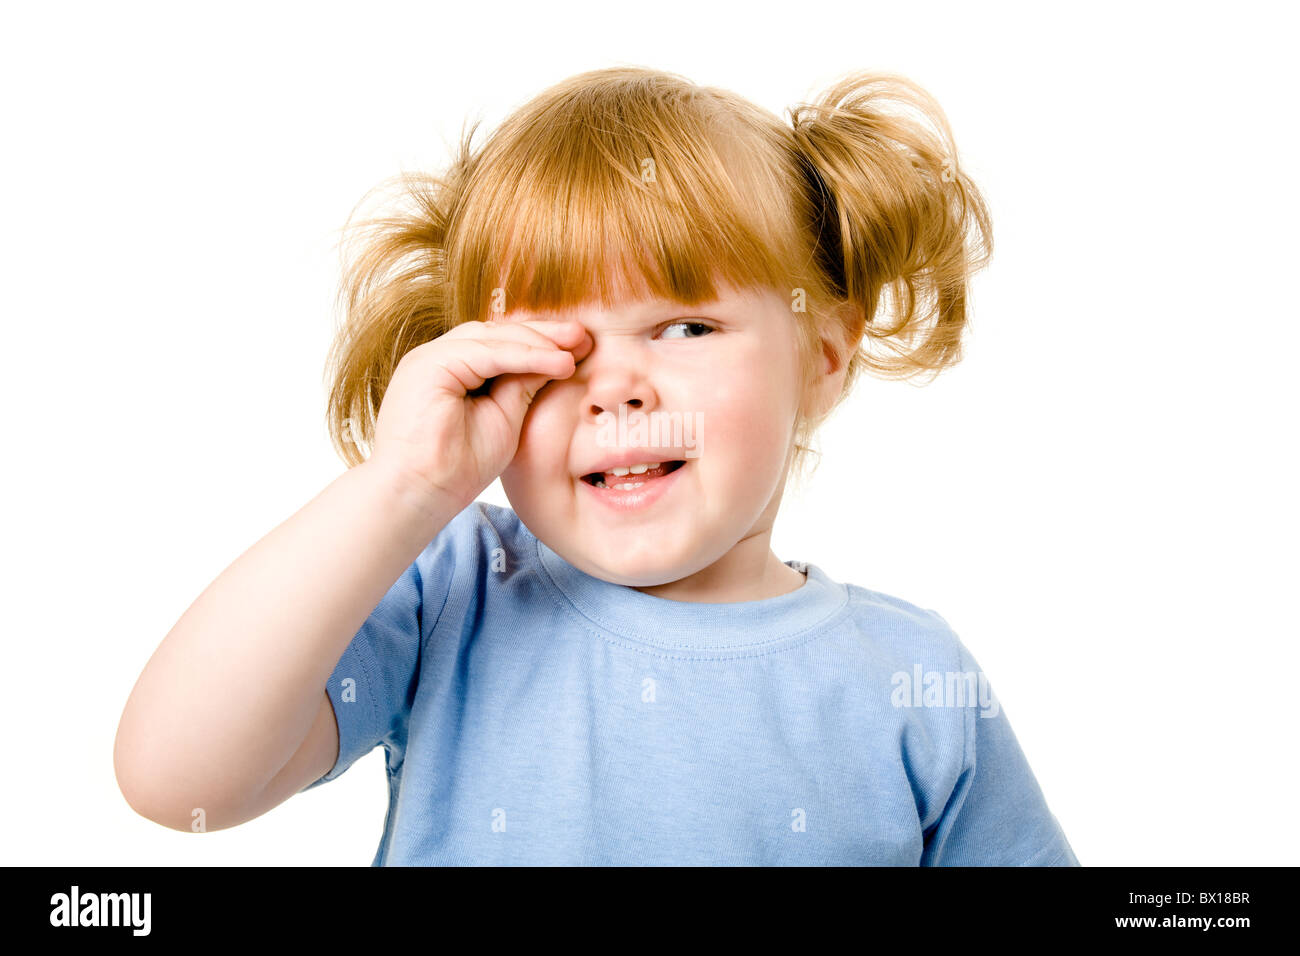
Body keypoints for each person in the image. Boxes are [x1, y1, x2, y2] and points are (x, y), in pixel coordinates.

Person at [114, 65, 1078, 865]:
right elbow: (176, 781)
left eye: (685, 325)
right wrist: (403, 485)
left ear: (822, 357)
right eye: (554, 342)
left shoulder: (912, 677)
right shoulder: (453, 592)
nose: (614, 388)